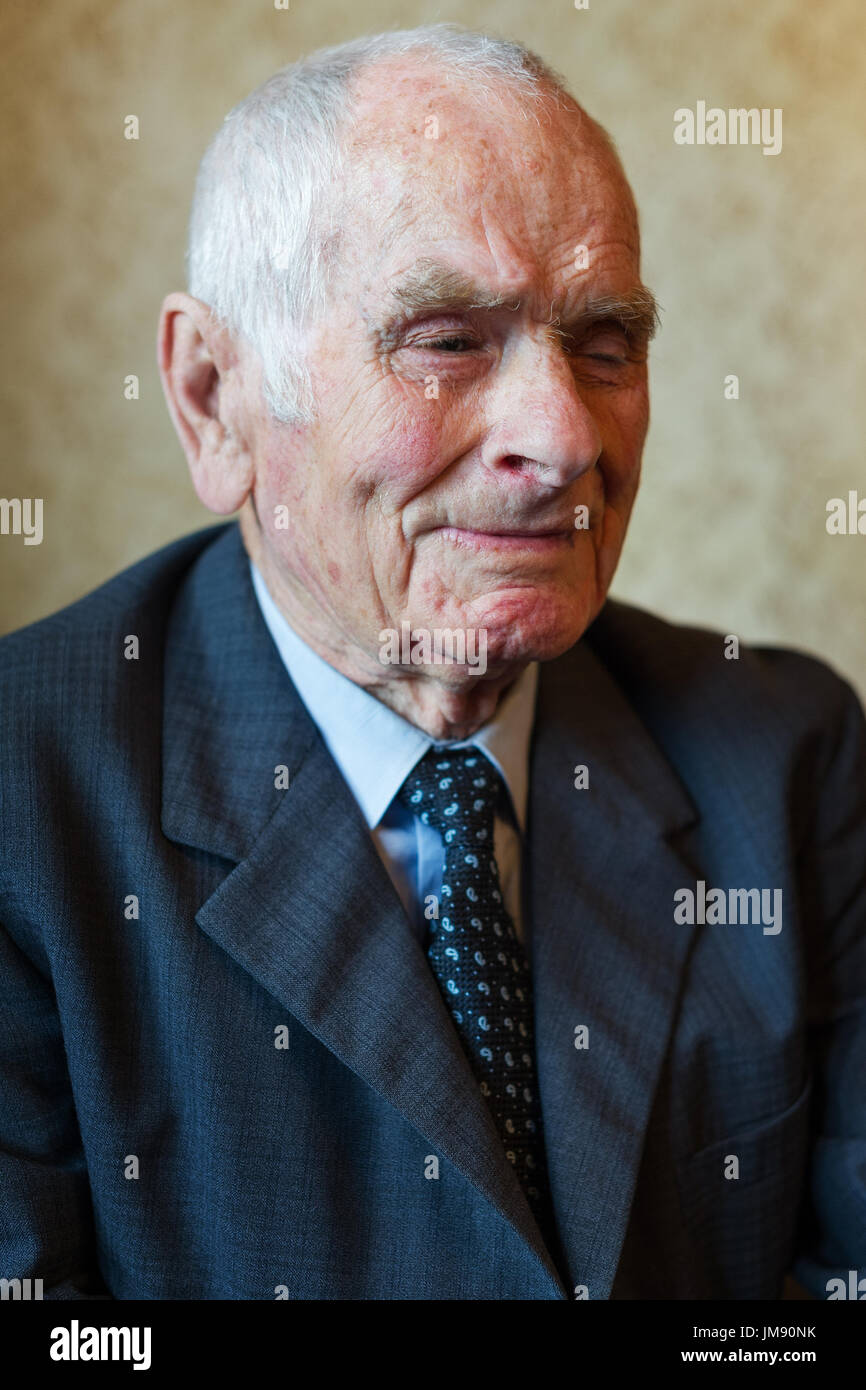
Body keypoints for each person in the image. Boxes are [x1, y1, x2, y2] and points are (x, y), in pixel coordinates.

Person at [1, 23, 863, 1301]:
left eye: (604, 341)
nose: (561, 437)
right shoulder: (26, 792)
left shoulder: (785, 753)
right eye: (449, 338)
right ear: (212, 396)